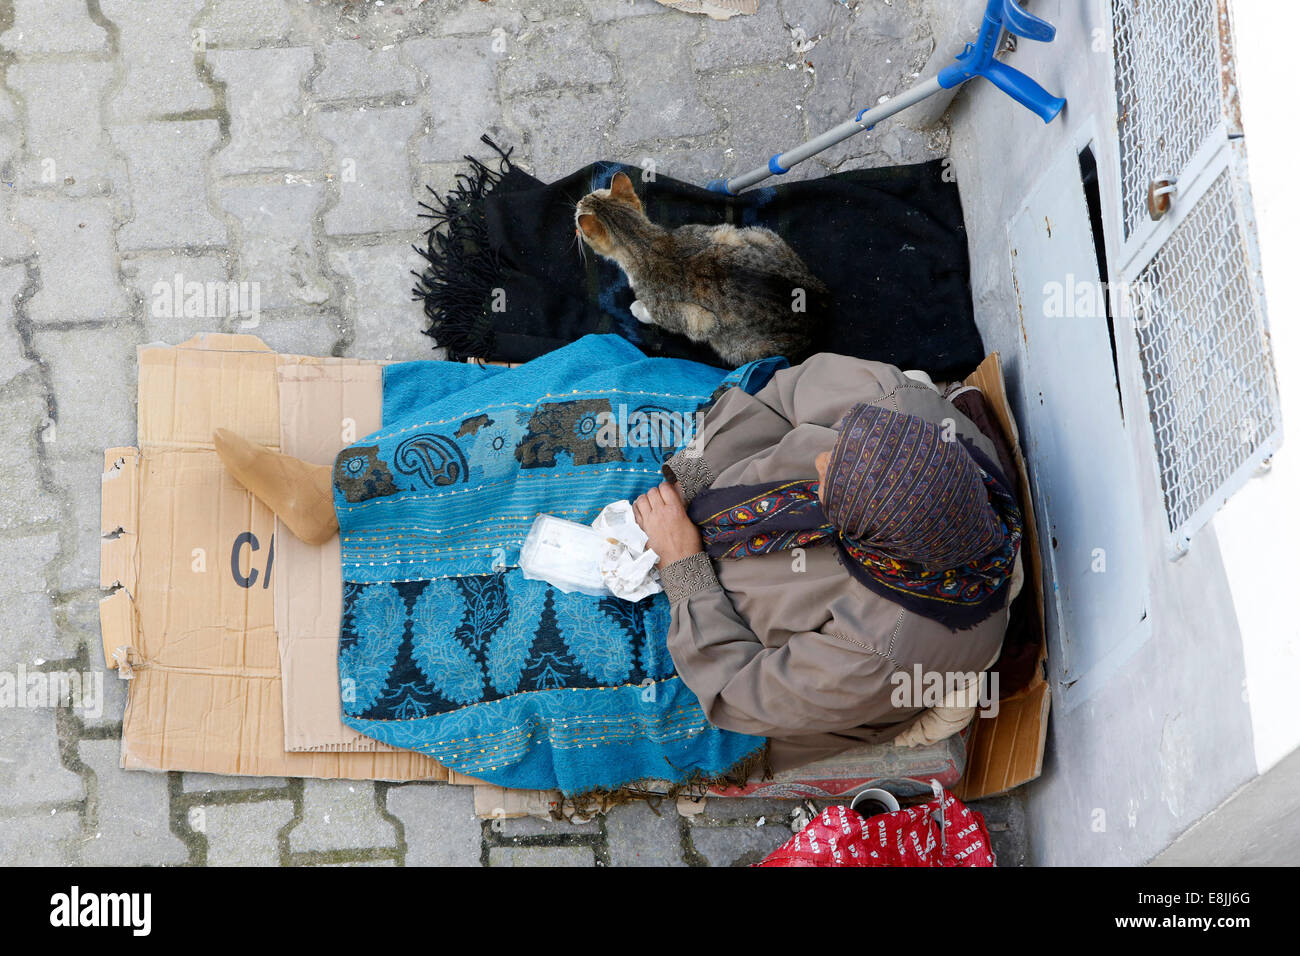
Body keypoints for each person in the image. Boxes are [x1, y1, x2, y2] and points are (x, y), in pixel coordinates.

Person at [629, 353, 1023, 773]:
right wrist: (693, 475)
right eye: (840, 448)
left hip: (716, 632)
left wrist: (685, 569)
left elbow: (739, 691)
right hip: (697, 523)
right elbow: (777, 401)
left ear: (875, 545)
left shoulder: (881, 651)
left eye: (829, 486)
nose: (818, 459)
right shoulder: (894, 403)